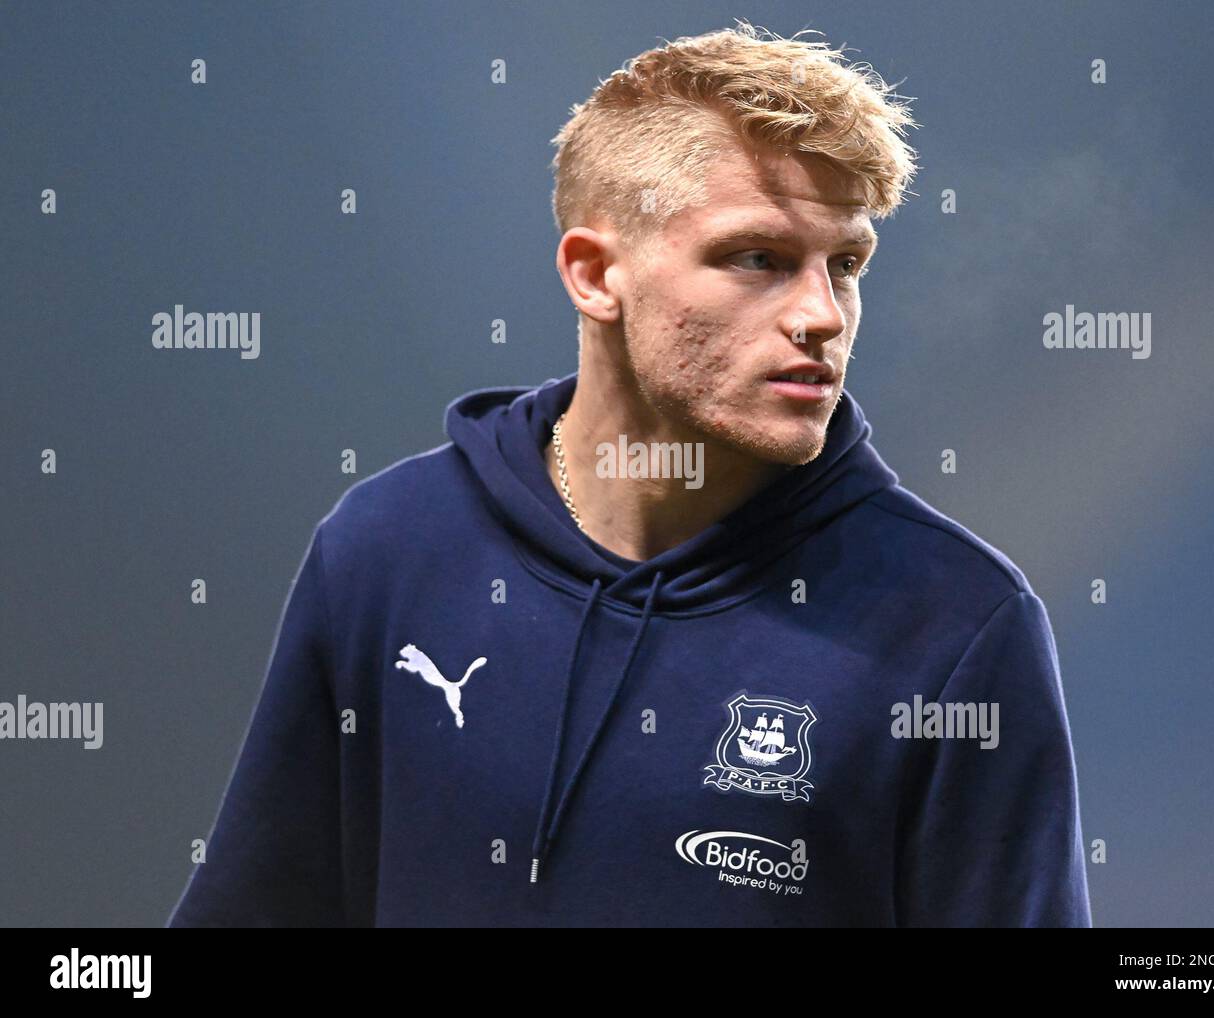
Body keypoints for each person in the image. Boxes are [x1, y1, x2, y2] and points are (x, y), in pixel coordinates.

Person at [167, 21, 1091, 927]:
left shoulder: (957, 625)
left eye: (844, 264)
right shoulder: (389, 545)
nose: (822, 314)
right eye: (757, 258)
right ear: (595, 275)